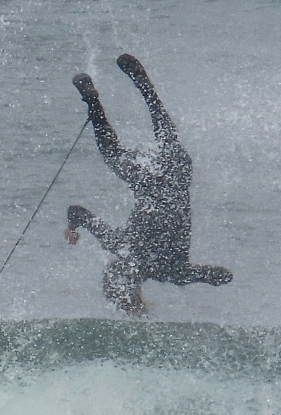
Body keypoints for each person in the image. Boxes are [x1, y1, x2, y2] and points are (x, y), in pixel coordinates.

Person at [62, 53, 232, 315]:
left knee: (167, 142)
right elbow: (77, 211)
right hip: (147, 182)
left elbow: (222, 276)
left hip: (172, 182)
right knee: (115, 154)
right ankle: (96, 99)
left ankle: (133, 89)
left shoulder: (171, 271)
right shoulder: (118, 244)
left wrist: (206, 276)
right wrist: (72, 227)